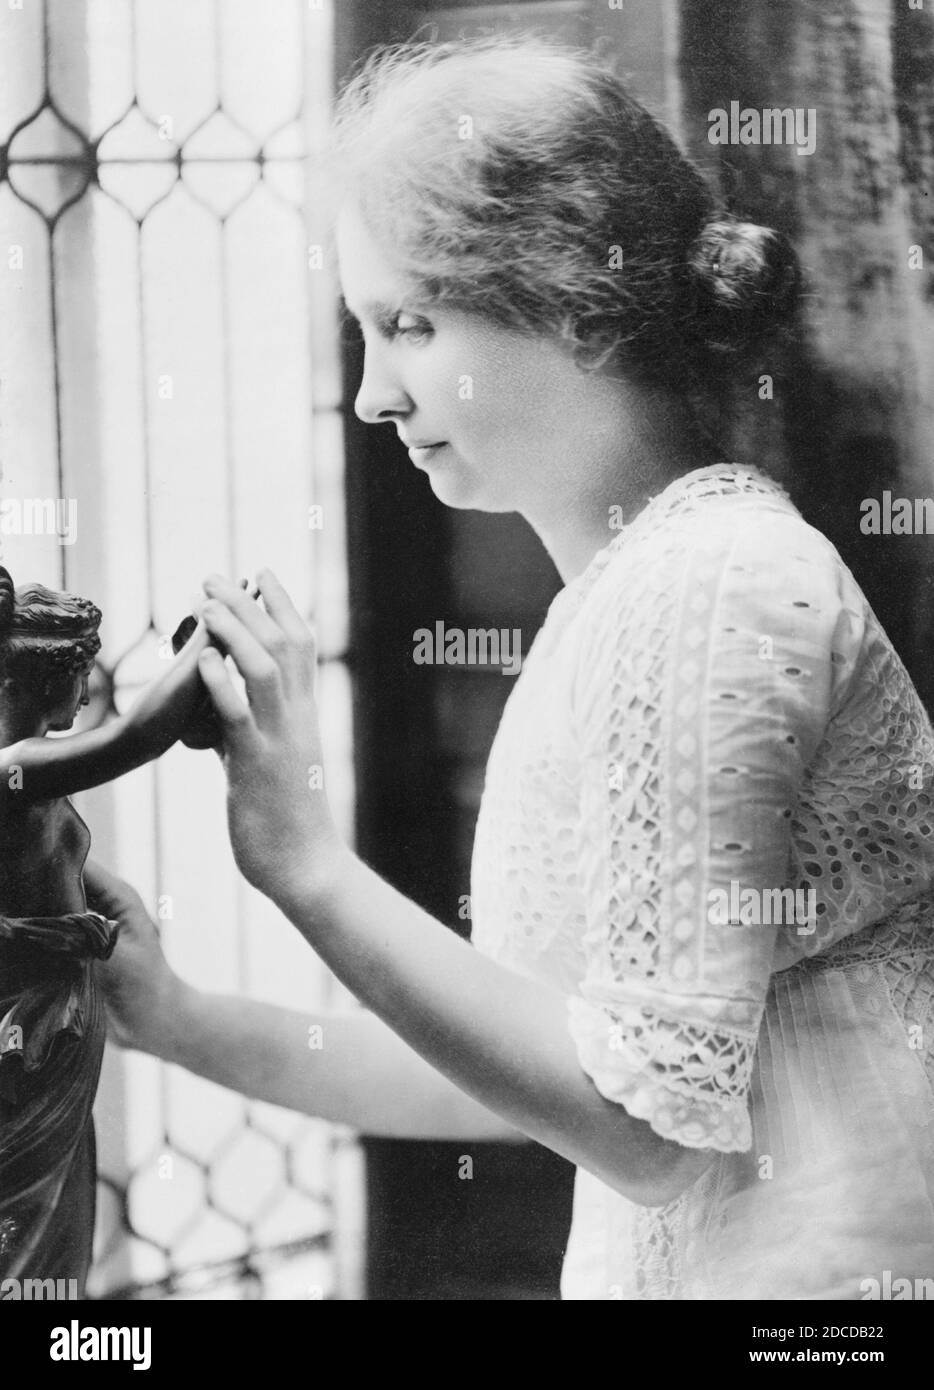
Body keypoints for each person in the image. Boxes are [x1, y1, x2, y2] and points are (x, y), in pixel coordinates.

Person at [86, 38, 934, 1300]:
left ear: (575, 304)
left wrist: (306, 864)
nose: (374, 393)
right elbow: (552, 1070)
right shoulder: (638, 589)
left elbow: (641, 1132)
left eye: (410, 325)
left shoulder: (716, 588)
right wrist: (180, 1018)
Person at [0, 566, 214, 1290]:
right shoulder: (16, 771)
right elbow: (135, 737)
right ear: (20, 686)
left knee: (52, 1202)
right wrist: (207, 646)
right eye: (73, 678)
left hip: (57, 1012)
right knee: (30, 1210)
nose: (86, 694)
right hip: (33, 1025)